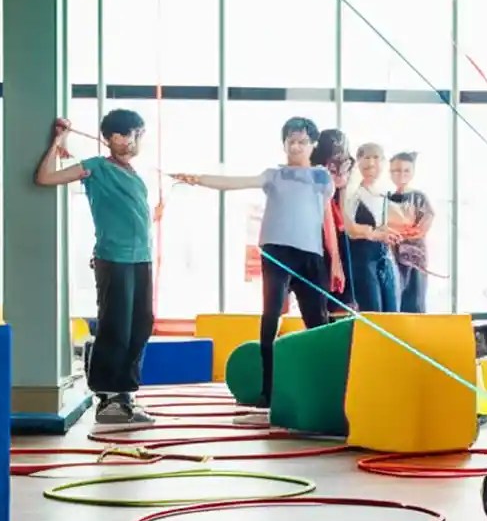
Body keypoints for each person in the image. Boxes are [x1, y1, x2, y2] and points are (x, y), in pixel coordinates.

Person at [172, 117, 345, 425]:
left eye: (302, 141)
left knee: (317, 323)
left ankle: (325, 390)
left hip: (310, 257)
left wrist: (336, 262)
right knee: (270, 317)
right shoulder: (273, 175)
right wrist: (197, 178)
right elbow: (235, 182)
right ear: (284, 144)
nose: (295, 146)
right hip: (276, 253)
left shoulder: (322, 178)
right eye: (290, 141)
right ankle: (268, 390)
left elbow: (329, 216)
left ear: (312, 145)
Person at [34, 111, 155, 427]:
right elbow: (45, 177)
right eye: (134, 134)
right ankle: (108, 399)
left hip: (141, 258)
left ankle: (124, 396)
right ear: (115, 138)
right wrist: (58, 141)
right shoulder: (97, 167)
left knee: (141, 324)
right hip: (114, 258)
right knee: (116, 326)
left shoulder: (133, 173)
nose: (137, 140)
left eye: (139, 134)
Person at [342, 142, 403, 312]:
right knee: (372, 310)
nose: (371, 163)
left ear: (383, 162)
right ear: (358, 161)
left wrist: (389, 234)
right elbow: (351, 229)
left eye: (376, 158)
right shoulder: (352, 192)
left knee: (392, 310)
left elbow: (380, 226)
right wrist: (376, 235)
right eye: (366, 157)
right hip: (363, 258)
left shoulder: (382, 192)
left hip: (383, 255)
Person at [311, 128, 357, 315]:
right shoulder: (317, 171)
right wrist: (335, 260)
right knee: (327, 287)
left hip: (339, 230)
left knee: (344, 295)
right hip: (322, 231)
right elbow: (325, 214)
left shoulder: (347, 166)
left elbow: (343, 196)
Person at [386, 151, 434, 313]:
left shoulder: (418, 197)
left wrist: (407, 232)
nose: (401, 174)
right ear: (390, 172)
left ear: (412, 172)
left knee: (415, 298)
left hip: (415, 257)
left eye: (406, 170)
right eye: (397, 170)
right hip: (392, 254)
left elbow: (425, 223)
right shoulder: (385, 197)